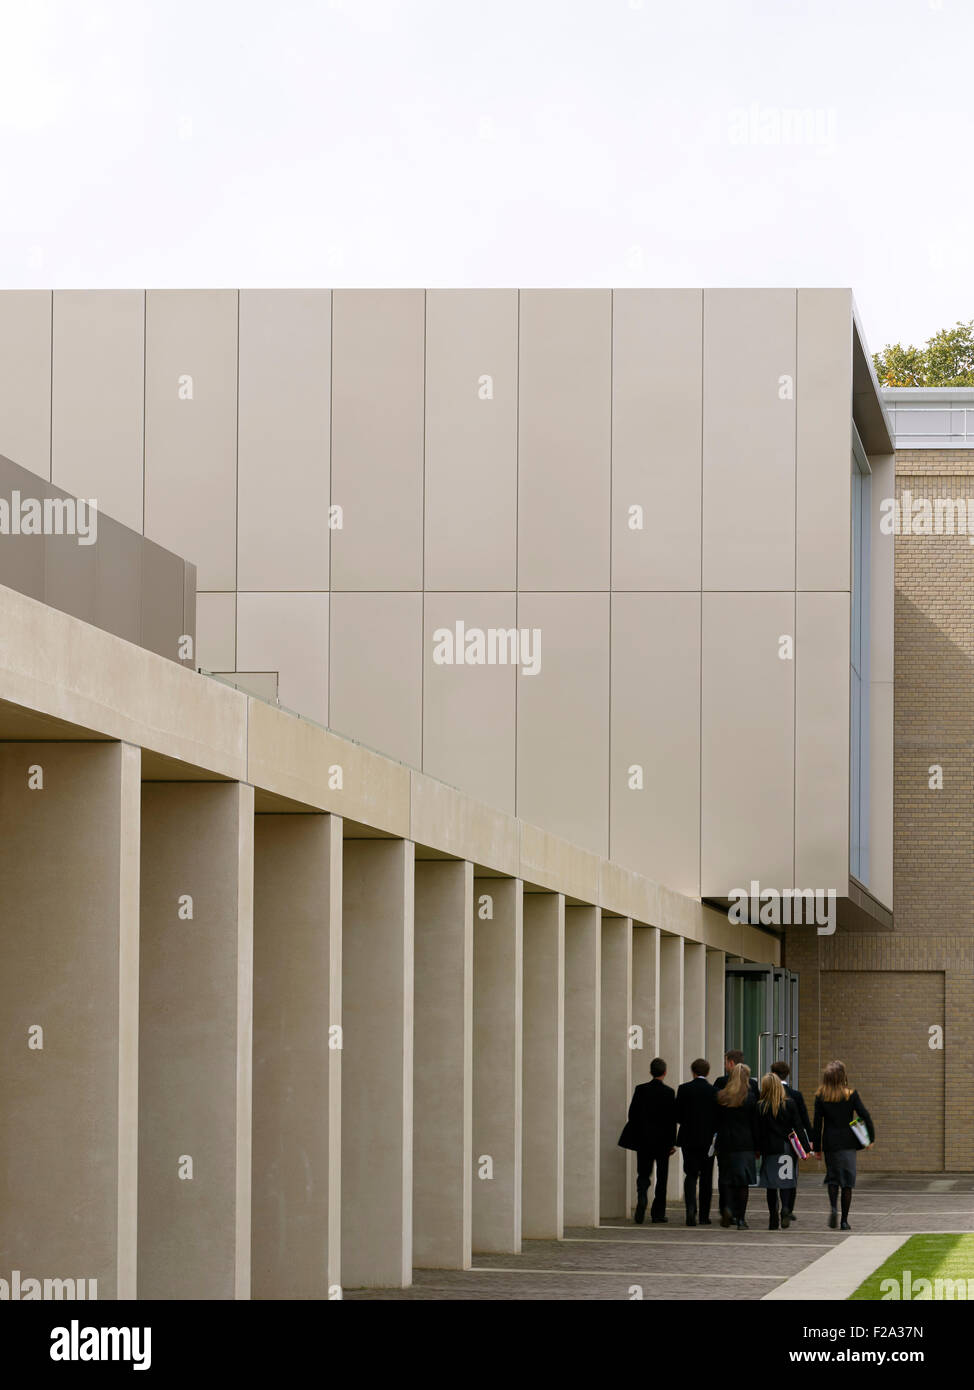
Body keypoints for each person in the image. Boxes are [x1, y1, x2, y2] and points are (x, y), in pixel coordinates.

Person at [811, 1060, 875, 1230]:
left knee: (833, 1178)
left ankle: (833, 1207)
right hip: (848, 1142)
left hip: (831, 1143)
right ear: (843, 1077)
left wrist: (816, 1148)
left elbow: (817, 1125)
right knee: (847, 1182)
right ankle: (844, 1221)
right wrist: (870, 1138)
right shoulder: (851, 1095)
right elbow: (865, 1115)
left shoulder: (820, 1097)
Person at [618, 1057, 677, 1225]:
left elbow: (632, 1115)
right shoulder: (669, 1093)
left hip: (643, 1140)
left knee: (643, 1174)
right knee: (662, 1176)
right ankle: (658, 1213)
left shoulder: (640, 1090)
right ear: (665, 1073)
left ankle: (642, 1198)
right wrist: (672, 1143)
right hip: (663, 1142)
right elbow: (672, 1120)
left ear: (650, 1072)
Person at [713, 1050, 759, 1216]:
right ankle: (740, 1217)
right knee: (743, 1181)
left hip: (725, 1141)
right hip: (745, 1143)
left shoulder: (721, 1095)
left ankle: (726, 1208)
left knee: (725, 1177)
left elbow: (715, 1119)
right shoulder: (751, 1095)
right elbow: (756, 1122)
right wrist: (758, 1145)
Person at [755, 1072, 803, 1229]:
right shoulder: (789, 1104)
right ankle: (786, 1209)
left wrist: (757, 1149)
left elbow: (759, 1131)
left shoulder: (761, 1106)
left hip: (770, 1149)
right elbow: (798, 1126)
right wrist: (806, 1149)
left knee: (771, 1184)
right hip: (787, 1147)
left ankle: (773, 1216)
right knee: (786, 1181)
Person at [675, 1059, 717, 1226]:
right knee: (706, 1177)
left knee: (691, 1174)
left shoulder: (684, 1089)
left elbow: (677, 1115)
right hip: (708, 1141)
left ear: (692, 1071)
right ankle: (704, 1216)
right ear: (707, 1072)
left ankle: (690, 1208)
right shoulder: (714, 1091)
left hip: (688, 1139)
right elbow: (717, 1118)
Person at [770, 1059, 812, 1223]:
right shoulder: (795, 1095)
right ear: (787, 1074)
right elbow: (803, 1121)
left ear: (773, 1074)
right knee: (790, 1175)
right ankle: (787, 1207)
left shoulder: (766, 1095)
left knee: (772, 1179)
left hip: (772, 1143)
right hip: (791, 1142)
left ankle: (774, 1213)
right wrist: (808, 1144)